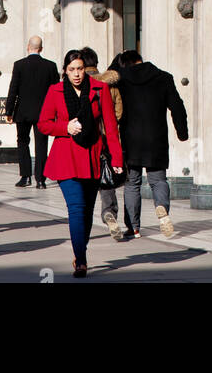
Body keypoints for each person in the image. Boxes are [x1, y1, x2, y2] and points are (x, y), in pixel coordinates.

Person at [37, 49, 123, 277]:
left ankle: (79, 250)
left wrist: (117, 158)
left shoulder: (100, 89)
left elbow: (111, 126)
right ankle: (82, 261)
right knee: (75, 209)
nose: (76, 74)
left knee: (86, 212)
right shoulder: (55, 91)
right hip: (66, 157)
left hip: (92, 156)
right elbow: (43, 124)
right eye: (72, 69)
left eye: (80, 69)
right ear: (64, 71)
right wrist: (64, 127)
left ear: (86, 69)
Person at [115, 48, 188, 240]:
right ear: (141, 60)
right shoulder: (163, 77)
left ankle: (134, 227)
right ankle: (161, 207)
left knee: (132, 184)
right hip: (156, 137)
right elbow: (177, 106)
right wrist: (182, 132)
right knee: (158, 180)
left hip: (130, 139)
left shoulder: (121, 79)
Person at [81, 46, 125, 240]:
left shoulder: (79, 85)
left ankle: (82, 222)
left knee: (84, 181)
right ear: (96, 62)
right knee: (105, 178)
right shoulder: (111, 84)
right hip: (107, 137)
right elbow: (119, 112)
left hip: (85, 139)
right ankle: (110, 213)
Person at [5, 36, 60, 189]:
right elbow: (56, 91)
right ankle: (41, 180)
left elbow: (13, 89)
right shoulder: (50, 66)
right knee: (41, 144)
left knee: (22, 142)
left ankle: (25, 176)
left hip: (22, 112)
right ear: (41, 48)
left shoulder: (19, 65)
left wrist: (8, 110)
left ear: (28, 46)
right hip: (44, 113)